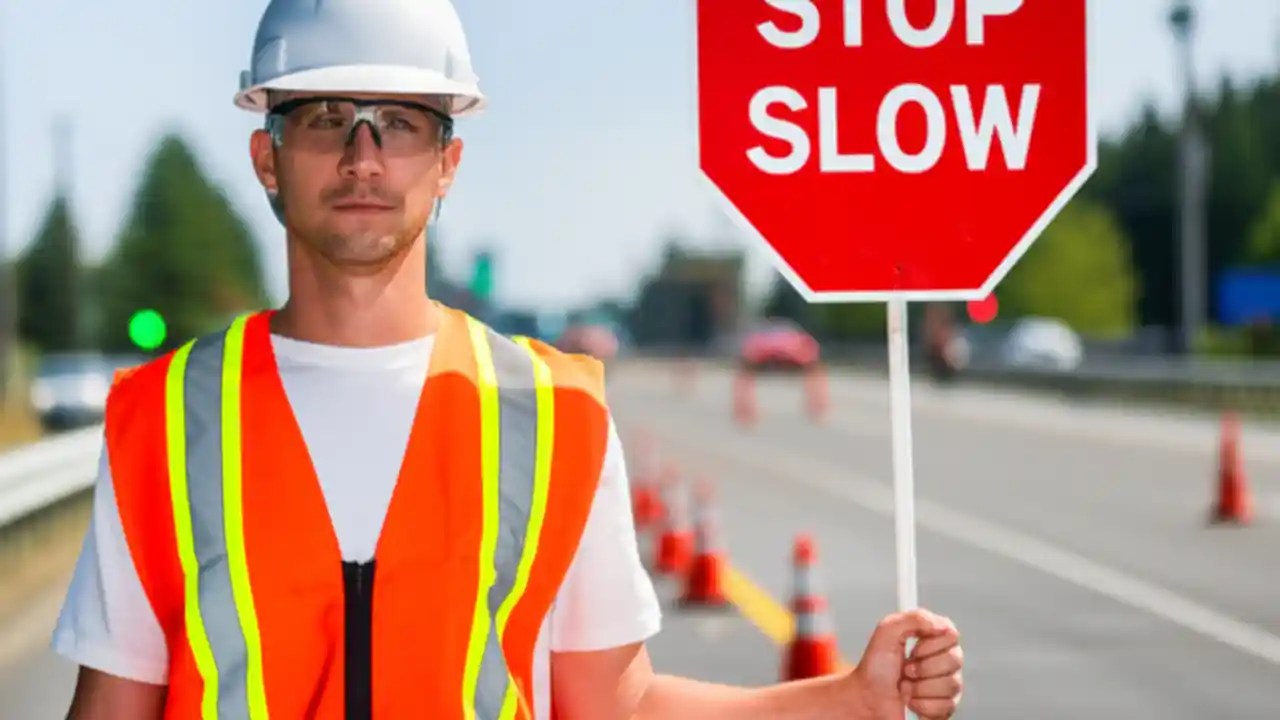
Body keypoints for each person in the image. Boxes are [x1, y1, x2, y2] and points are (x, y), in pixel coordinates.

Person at [52, 1, 964, 717]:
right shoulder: (164, 421)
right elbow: (114, 707)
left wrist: (846, 700)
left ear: (447, 162)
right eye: (327, 118)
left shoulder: (553, 412)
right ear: (268, 156)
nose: (364, 158)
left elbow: (618, 705)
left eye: (400, 123)